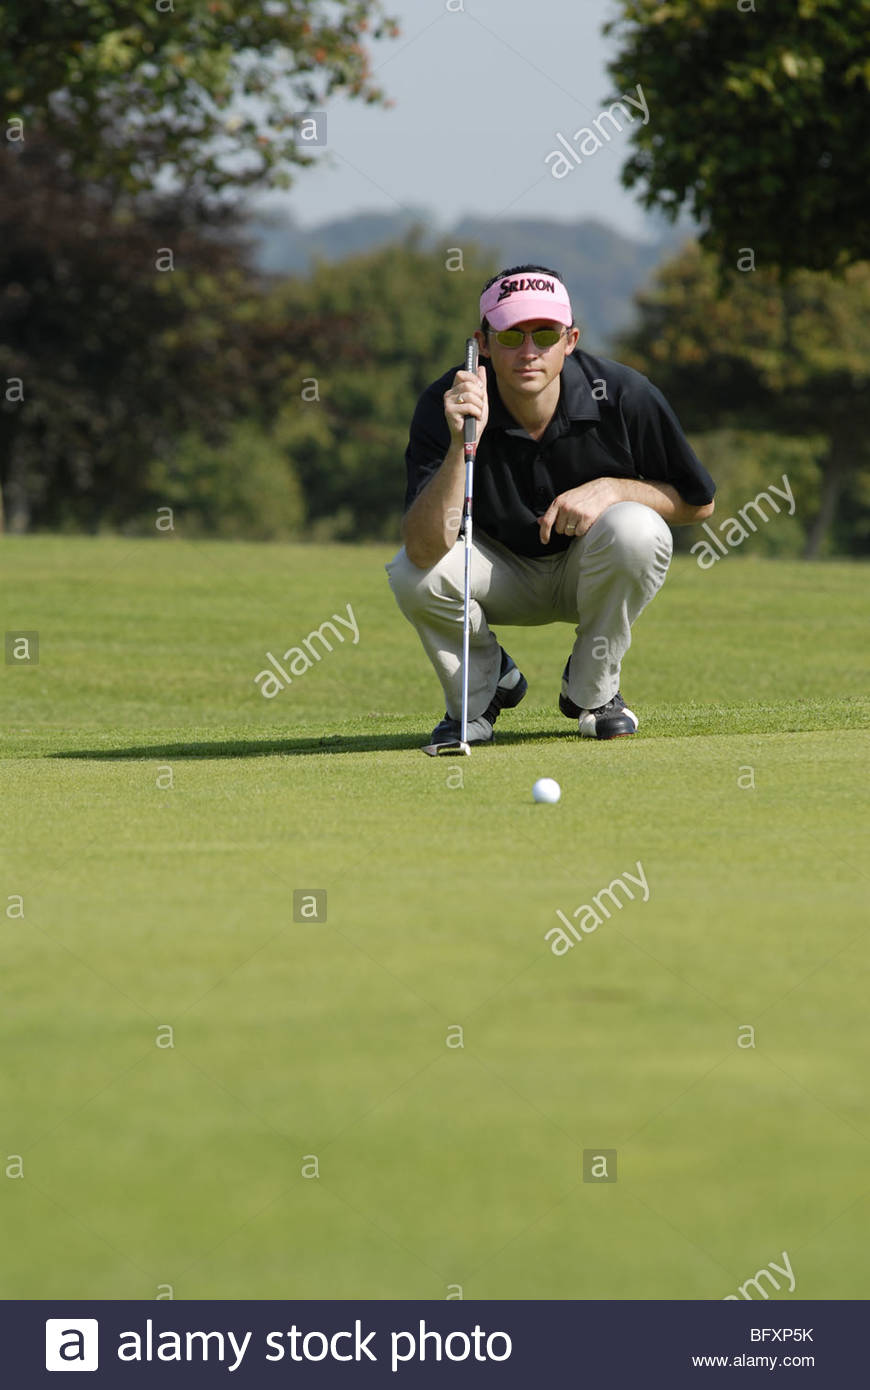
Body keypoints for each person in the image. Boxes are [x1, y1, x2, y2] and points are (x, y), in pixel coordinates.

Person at [386, 264, 716, 749]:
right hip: (498, 572)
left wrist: (614, 489)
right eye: (510, 335)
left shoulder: (625, 394)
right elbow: (422, 548)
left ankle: (593, 693)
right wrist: (460, 444)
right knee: (411, 573)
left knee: (638, 530)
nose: (528, 351)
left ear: (570, 340)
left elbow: (698, 503)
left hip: (588, 568)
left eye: (544, 334)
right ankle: (478, 697)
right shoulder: (446, 402)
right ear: (482, 343)